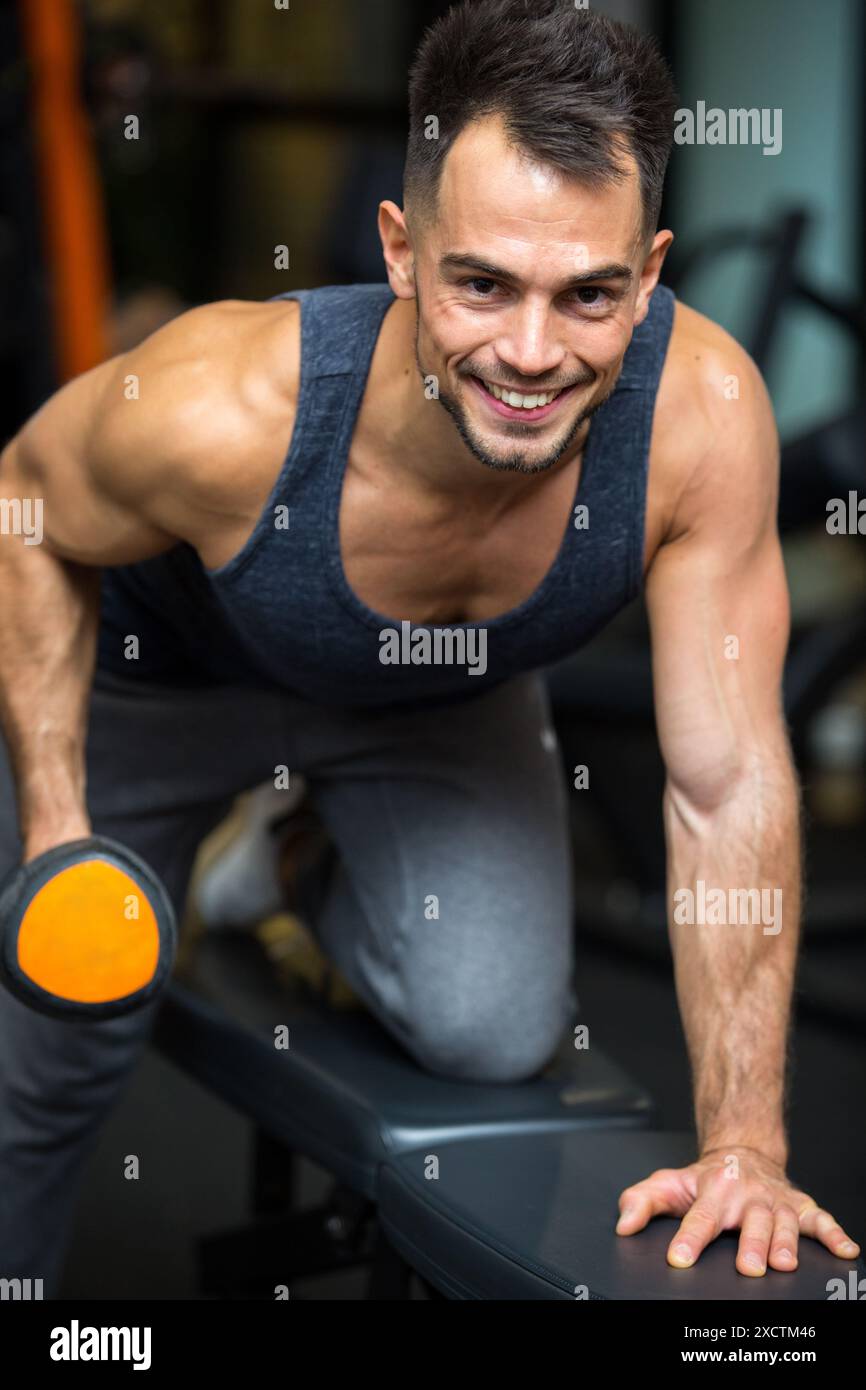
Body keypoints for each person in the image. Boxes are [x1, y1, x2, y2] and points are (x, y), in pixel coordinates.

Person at [0, 0, 858, 1295]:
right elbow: (24, 504)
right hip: (168, 678)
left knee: (492, 1029)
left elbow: (727, 779)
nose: (530, 354)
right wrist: (56, 826)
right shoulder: (218, 406)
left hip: (437, 693)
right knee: (49, 1056)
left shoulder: (701, 418)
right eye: (482, 284)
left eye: (589, 294)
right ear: (401, 251)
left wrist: (744, 1145)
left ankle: (283, 856)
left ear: (650, 273)